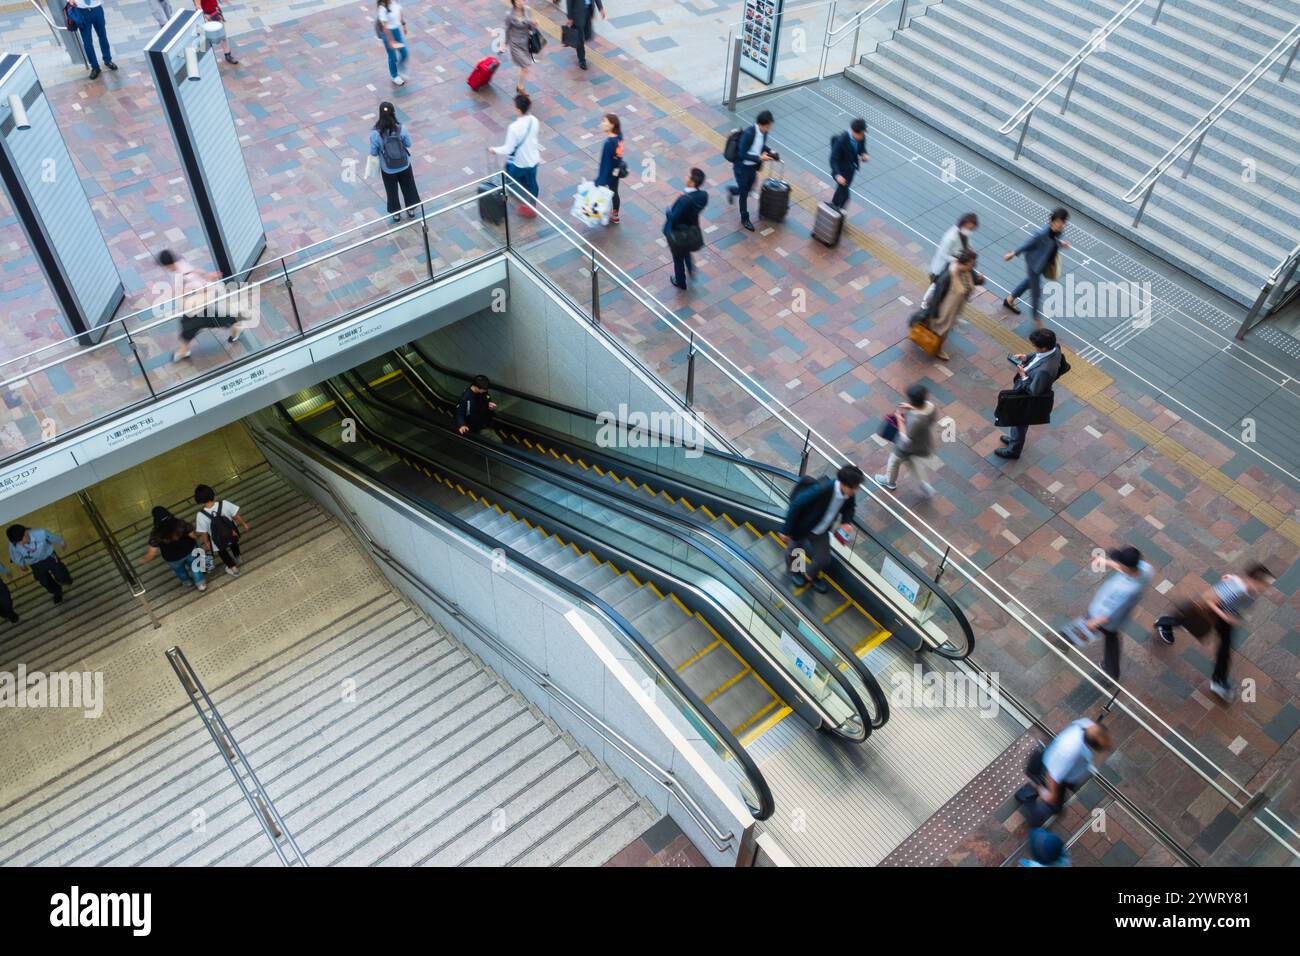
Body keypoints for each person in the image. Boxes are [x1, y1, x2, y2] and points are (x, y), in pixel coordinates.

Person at [1154, 563, 1274, 701]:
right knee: (1192, 625)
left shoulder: (1249, 588)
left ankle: (1218, 681)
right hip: (1216, 615)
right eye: (1264, 583)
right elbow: (1208, 599)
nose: (1265, 587)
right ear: (1254, 579)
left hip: (1227, 615)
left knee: (1223, 647)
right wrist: (1225, 616)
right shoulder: (1235, 588)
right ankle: (1164, 623)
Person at [1063, 546, 1153, 680]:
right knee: (1111, 639)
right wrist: (1104, 562)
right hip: (1111, 618)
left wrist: (1093, 623)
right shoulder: (1145, 569)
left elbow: (1110, 614)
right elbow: (1124, 568)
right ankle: (1111, 672)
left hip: (1100, 614)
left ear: (1128, 568)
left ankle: (1060, 642)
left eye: (1121, 564)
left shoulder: (1127, 591)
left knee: (1085, 628)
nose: (1119, 565)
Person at [778, 465, 863, 594]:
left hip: (822, 530)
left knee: (823, 559)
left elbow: (850, 507)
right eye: (854, 487)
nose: (856, 491)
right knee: (795, 550)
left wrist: (846, 522)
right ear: (844, 484)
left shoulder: (848, 494)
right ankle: (795, 571)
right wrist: (786, 530)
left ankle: (808, 575)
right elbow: (797, 504)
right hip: (803, 527)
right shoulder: (823, 489)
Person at [158, 250, 250, 362]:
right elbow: (196, 272)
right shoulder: (179, 265)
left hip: (199, 305)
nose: (165, 268)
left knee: (192, 324)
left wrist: (186, 291)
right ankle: (235, 326)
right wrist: (207, 276)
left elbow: (198, 285)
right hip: (197, 305)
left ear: (168, 264)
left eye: (165, 266)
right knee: (205, 321)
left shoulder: (182, 272)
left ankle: (184, 350)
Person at [1017, 718, 1111, 827]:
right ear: (1091, 745)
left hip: (1057, 767)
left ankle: (1025, 794)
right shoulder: (1069, 751)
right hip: (1050, 772)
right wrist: (1051, 795)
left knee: (1046, 791)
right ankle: (1033, 823)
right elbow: (1052, 776)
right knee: (1054, 806)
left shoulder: (1086, 725)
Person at [995, 326, 1062, 461]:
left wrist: (1023, 375)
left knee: (1019, 421)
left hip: (1027, 396)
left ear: (1044, 347)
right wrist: (1027, 357)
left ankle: (1013, 450)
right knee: (1019, 422)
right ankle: (1014, 440)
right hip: (1032, 385)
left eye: (1034, 346)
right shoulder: (1055, 348)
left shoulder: (1044, 370)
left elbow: (1033, 391)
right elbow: (1038, 356)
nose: (1033, 347)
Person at [1003, 207, 1071, 326]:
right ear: (1051, 220)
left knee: (1028, 282)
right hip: (1034, 264)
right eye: (1058, 222)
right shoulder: (1041, 234)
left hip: (1045, 262)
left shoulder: (1059, 231)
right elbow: (1028, 244)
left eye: (1063, 222)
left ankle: (1009, 300)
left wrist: (1060, 244)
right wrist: (1013, 254)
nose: (1060, 225)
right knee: (1036, 292)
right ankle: (1036, 319)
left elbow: (1054, 241)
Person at [873, 384, 937, 497]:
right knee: (913, 464)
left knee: (893, 462)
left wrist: (900, 420)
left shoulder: (915, 420)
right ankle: (924, 484)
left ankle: (889, 481)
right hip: (922, 442)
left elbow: (905, 438)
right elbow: (928, 418)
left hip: (905, 448)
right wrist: (912, 407)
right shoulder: (930, 407)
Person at [913, 250, 978, 362]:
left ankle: (933, 345)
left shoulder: (966, 271)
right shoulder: (950, 274)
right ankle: (936, 348)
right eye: (972, 263)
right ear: (965, 263)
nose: (974, 266)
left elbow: (970, 287)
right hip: (945, 309)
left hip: (954, 308)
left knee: (941, 328)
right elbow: (937, 291)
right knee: (941, 329)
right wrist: (933, 308)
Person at [369, 101, 421, 224]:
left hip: (387, 168)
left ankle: (396, 214)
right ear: (393, 113)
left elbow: (373, 152)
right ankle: (411, 210)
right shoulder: (401, 129)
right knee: (409, 187)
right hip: (404, 165)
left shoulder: (375, 134)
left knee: (391, 190)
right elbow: (408, 144)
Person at [489, 93, 541, 217]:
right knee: (533, 182)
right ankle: (533, 205)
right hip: (533, 159)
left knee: (509, 180)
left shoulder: (514, 127)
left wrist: (494, 150)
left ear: (518, 109)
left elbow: (508, 149)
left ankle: (504, 202)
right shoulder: (534, 120)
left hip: (520, 162)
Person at [727, 110, 776, 232]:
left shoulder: (764, 133)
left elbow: (761, 146)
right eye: (767, 126)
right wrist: (760, 158)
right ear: (761, 124)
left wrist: (771, 151)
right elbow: (742, 154)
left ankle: (732, 190)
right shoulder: (749, 134)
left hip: (752, 167)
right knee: (744, 193)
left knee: (749, 188)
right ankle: (745, 218)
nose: (768, 129)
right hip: (742, 167)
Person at [141, 508, 207, 592]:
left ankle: (187, 582)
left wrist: (144, 560)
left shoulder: (155, 533)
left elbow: (152, 553)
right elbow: (192, 535)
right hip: (188, 550)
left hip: (172, 558)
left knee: (180, 571)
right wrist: (198, 537)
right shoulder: (180, 523)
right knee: (195, 567)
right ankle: (201, 585)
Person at [664, 167, 709, 291]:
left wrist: (668, 211)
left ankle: (680, 282)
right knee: (686, 251)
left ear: (692, 182)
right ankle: (690, 269)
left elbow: (674, 217)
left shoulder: (684, 200)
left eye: (688, 176)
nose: (686, 177)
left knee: (678, 259)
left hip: (679, 233)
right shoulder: (703, 195)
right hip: (691, 229)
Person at [923, 212, 982, 306]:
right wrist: (958, 260)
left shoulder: (963, 234)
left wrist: (971, 251)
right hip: (941, 268)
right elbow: (943, 254)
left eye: (972, 229)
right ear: (963, 224)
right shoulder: (951, 237)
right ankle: (926, 303)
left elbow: (967, 245)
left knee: (942, 288)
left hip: (952, 265)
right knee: (936, 286)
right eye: (969, 228)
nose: (970, 231)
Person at [6, 524, 73, 605]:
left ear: (26, 532)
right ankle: (57, 592)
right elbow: (15, 555)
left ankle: (66, 579)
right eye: (18, 542)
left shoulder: (40, 533)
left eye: (21, 539)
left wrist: (61, 542)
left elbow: (53, 537)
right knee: (44, 581)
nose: (21, 543)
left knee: (61, 573)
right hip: (34, 563)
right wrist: (21, 564)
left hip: (49, 556)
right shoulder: (13, 544)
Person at [194, 485, 250, 577]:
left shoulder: (200, 515)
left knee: (223, 552)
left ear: (198, 499)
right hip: (232, 533)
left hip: (216, 540)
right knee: (234, 544)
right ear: (212, 493)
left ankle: (234, 569)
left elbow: (204, 532)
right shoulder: (224, 503)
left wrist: (207, 542)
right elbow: (236, 515)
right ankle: (238, 557)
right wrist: (244, 524)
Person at [68, 0, 116, 81]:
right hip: (81, 11)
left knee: (103, 36)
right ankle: (95, 67)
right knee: (87, 42)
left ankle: (108, 60)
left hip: (97, 9)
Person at [828, 118, 869, 211]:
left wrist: (864, 154)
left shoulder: (861, 137)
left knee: (842, 190)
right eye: (862, 134)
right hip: (841, 170)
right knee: (845, 194)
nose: (863, 136)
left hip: (851, 168)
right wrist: (838, 175)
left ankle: (835, 207)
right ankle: (837, 209)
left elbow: (862, 149)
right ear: (855, 133)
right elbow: (833, 160)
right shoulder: (841, 141)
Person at [594, 113, 625, 225]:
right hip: (616, 170)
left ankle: (594, 213)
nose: (602, 124)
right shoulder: (619, 137)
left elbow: (606, 164)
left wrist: (600, 180)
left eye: (604, 121)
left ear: (612, 125)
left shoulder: (608, 144)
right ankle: (615, 215)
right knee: (614, 192)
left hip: (608, 172)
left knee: (599, 193)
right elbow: (618, 155)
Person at [504, 0, 539, 94]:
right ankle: (520, 87)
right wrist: (505, 43)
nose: (520, 2)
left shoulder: (527, 10)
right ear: (513, 1)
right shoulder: (509, 15)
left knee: (524, 66)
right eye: (517, 0)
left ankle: (520, 86)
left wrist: (534, 24)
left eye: (522, 0)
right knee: (525, 65)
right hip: (515, 44)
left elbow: (531, 28)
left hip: (525, 42)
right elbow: (507, 30)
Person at [455, 374, 501, 442]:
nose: (485, 391)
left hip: (487, 422)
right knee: (498, 442)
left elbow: (486, 400)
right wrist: (462, 425)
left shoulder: (483, 392)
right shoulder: (466, 398)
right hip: (477, 427)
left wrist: (489, 404)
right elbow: (460, 413)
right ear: (476, 387)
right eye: (483, 390)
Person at [194, 0, 239, 65]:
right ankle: (205, 61)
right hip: (206, 16)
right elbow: (198, 6)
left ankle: (228, 55)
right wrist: (204, 16)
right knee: (204, 40)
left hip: (216, 12)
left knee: (223, 35)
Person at [564, 0, 605, 71]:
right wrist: (570, 17)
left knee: (587, 35)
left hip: (588, 11)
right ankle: (582, 60)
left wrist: (601, 8)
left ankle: (576, 43)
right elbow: (569, 2)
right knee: (580, 39)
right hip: (577, 14)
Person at [376, 0, 409, 86]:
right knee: (393, 56)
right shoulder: (382, 8)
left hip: (396, 31)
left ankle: (400, 69)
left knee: (404, 53)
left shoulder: (395, 1)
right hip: (387, 34)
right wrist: (390, 40)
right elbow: (385, 26)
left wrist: (404, 24)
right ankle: (394, 76)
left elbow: (400, 12)